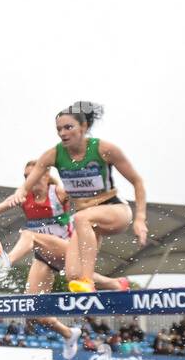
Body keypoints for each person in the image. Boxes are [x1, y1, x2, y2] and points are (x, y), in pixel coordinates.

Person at [0, 160, 126, 356]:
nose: (28, 180)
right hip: (45, 257)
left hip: (69, 250)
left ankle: (7, 260)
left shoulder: (59, 193)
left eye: (31, 175)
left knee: (29, 235)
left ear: (44, 174)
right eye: (25, 177)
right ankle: (70, 332)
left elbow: (88, 196)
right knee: (34, 311)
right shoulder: (23, 196)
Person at [16, 102, 147, 293]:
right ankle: (117, 285)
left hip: (115, 210)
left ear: (84, 127)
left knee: (80, 218)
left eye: (68, 127)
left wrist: (140, 218)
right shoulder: (53, 154)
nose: (62, 133)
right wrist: (19, 194)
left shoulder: (104, 149)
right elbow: (25, 187)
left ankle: (88, 281)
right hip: (86, 222)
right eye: (59, 129)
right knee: (72, 275)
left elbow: (137, 181)